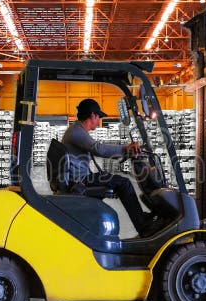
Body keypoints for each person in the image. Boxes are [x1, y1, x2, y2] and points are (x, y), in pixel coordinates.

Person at [62, 98, 156, 236]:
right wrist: (125, 149)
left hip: (80, 177)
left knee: (116, 180)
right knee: (124, 183)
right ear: (93, 115)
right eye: (98, 116)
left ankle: (141, 219)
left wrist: (123, 152)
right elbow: (98, 149)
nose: (98, 120)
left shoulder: (77, 130)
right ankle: (143, 225)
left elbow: (96, 148)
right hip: (79, 180)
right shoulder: (76, 131)